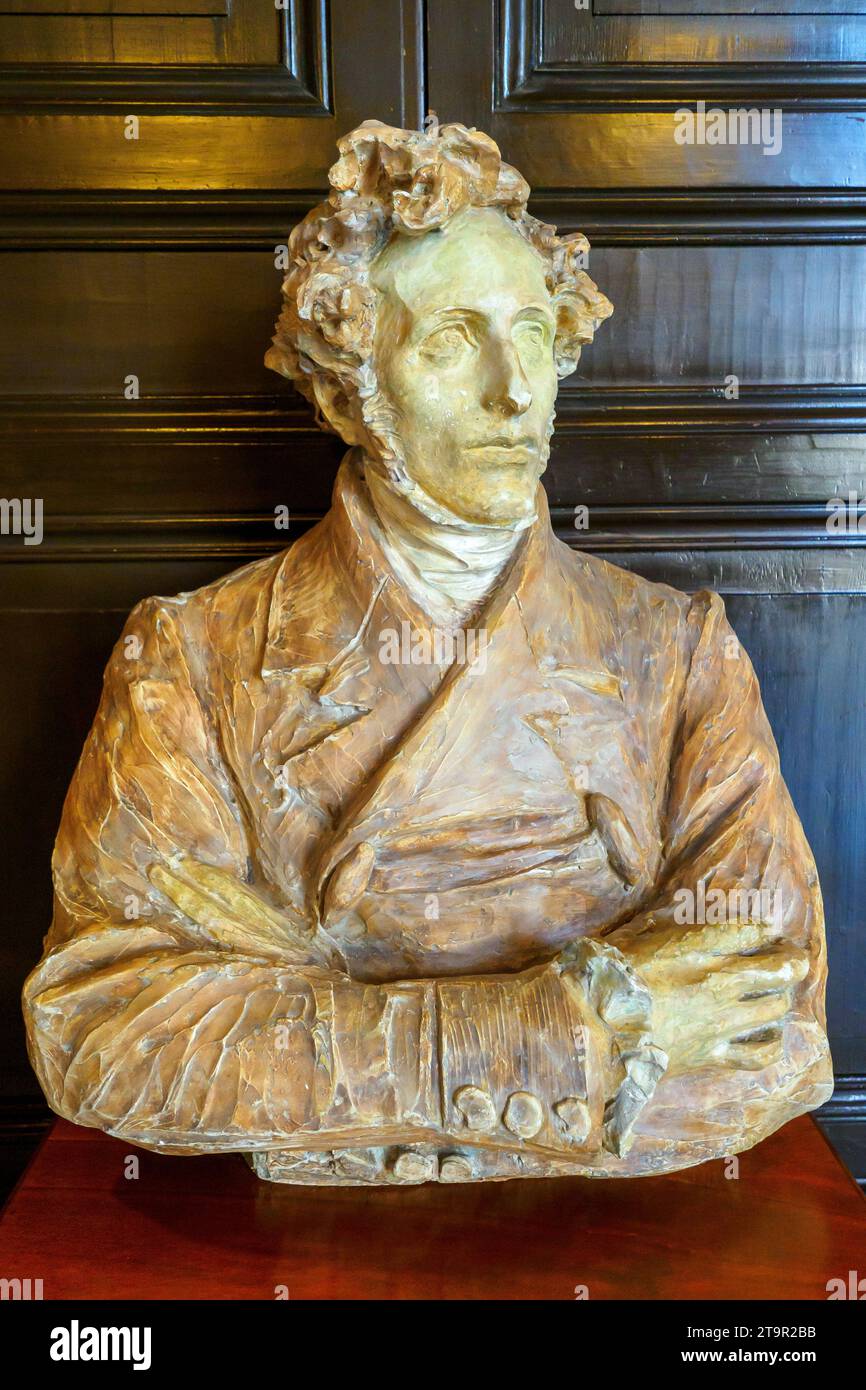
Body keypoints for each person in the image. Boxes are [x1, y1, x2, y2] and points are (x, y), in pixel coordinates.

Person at [23, 121, 832, 1185]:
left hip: (624, 1234)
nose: (514, 390)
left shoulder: (674, 650)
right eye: (450, 342)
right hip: (289, 1245)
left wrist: (310, 1018)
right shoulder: (192, 656)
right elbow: (108, 1031)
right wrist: (566, 1031)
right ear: (345, 392)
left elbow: (770, 1028)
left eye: (532, 334)